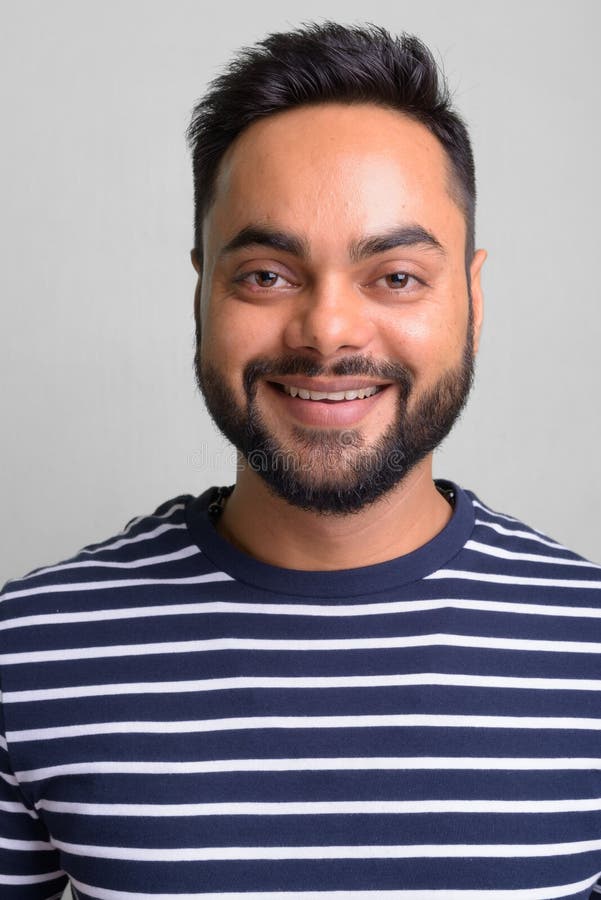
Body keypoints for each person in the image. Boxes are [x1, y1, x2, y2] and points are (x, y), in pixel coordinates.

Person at [1, 20, 600, 900]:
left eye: (394, 275)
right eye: (266, 276)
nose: (326, 330)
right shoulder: (26, 653)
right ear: (201, 290)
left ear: (470, 297)